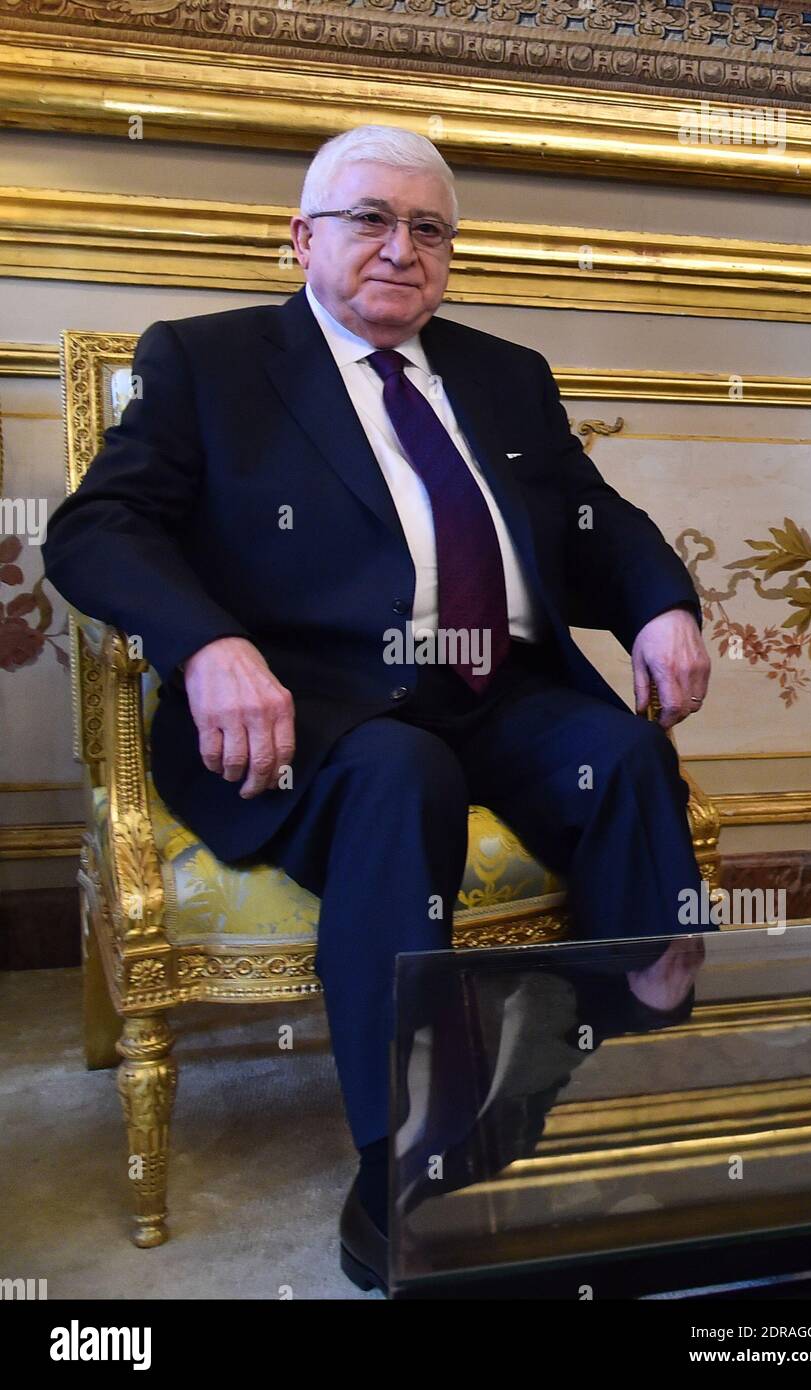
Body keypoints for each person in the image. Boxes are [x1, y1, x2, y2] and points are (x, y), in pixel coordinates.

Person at [42, 123, 711, 1294]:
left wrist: (660, 605)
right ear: (301, 239)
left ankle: (604, 1088)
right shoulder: (210, 363)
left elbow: (593, 519)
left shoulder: (505, 373)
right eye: (370, 220)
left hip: (497, 690)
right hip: (314, 713)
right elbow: (98, 528)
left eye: (429, 228)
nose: (402, 248)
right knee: (407, 776)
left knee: (624, 758)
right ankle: (408, 1157)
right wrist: (208, 644)